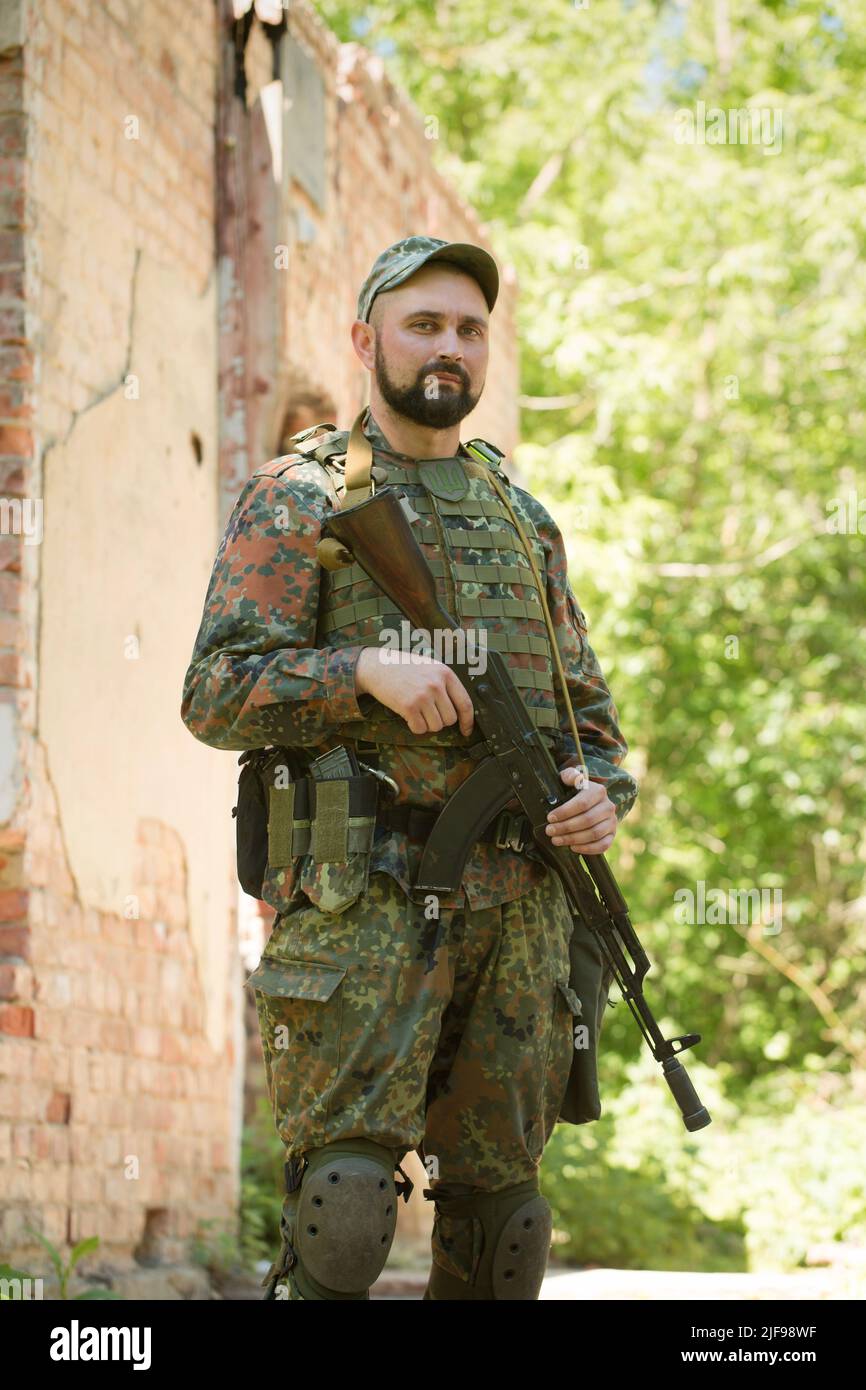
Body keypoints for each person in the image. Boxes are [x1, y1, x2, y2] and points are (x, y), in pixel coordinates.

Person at [180, 235, 638, 1300]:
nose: (447, 348)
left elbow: (598, 737)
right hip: (362, 900)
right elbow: (212, 691)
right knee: (342, 1215)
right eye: (422, 323)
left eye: (468, 330)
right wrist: (360, 672)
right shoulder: (298, 499)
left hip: (521, 914)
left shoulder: (524, 526)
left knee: (503, 1225)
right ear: (365, 339)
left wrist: (595, 799)